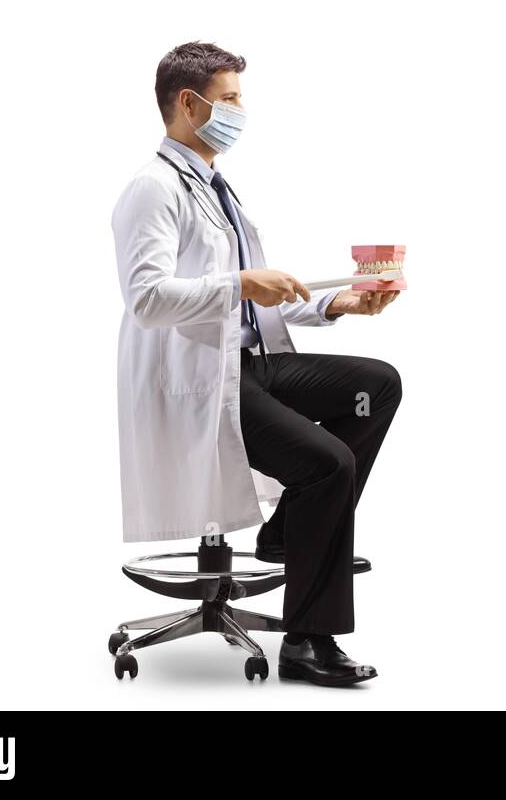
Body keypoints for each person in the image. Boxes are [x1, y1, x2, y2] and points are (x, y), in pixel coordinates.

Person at [110, 41, 402, 686]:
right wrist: (242, 283)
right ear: (190, 104)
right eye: (231, 98)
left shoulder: (216, 187)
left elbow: (251, 302)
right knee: (328, 466)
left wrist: (339, 303)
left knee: (375, 386)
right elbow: (148, 299)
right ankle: (308, 640)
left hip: (247, 363)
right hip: (197, 380)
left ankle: (287, 531)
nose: (242, 109)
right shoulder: (151, 190)